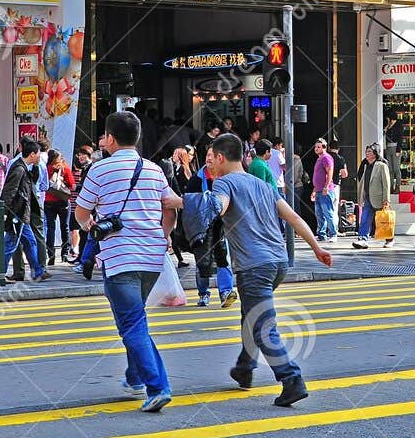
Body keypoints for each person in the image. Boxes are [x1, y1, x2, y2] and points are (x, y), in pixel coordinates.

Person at [205, 132, 333, 407]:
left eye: (211, 158)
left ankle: (291, 379)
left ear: (221, 157)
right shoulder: (262, 184)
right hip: (278, 263)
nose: (209, 163)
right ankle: (244, 367)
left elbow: (219, 207)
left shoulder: (224, 184)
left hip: (253, 266)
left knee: (263, 326)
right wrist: (316, 248)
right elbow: (293, 216)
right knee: (251, 316)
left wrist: (201, 208)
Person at [75, 111, 183, 412]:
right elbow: (170, 208)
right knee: (136, 319)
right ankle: (134, 378)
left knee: (132, 324)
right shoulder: (154, 170)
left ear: (110, 138)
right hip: (152, 259)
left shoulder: (99, 170)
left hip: (120, 258)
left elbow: (81, 212)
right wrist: (163, 235)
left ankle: (157, 386)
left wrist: (90, 226)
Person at [184, 158, 236, 308]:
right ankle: (203, 293)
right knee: (202, 262)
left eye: (213, 155)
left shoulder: (226, 178)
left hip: (221, 226)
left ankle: (226, 292)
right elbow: (188, 202)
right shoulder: (197, 179)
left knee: (223, 259)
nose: (209, 158)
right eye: (207, 155)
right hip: (202, 226)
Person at [2, 140, 50, 283]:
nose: (40, 157)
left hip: (23, 213)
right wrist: (4, 212)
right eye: (38, 154)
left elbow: (33, 181)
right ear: (32, 154)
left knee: (30, 242)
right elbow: (9, 191)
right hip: (17, 213)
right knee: (10, 244)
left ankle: (37, 272)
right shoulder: (19, 169)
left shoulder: (24, 167)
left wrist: (36, 166)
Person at [45, 149, 76, 264]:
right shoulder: (65, 168)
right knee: (65, 227)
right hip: (63, 201)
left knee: (50, 228)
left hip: (48, 201)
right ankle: (64, 253)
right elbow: (72, 186)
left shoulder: (46, 168)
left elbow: (43, 184)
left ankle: (51, 254)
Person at [310, 137, 337, 241]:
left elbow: (330, 172)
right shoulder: (319, 158)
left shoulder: (326, 158)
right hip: (318, 190)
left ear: (324, 147)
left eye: (319, 147)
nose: (316, 149)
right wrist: (314, 190)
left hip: (325, 190)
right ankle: (322, 234)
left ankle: (333, 234)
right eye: (315, 147)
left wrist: (326, 187)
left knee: (328, 212)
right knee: (319, 213)